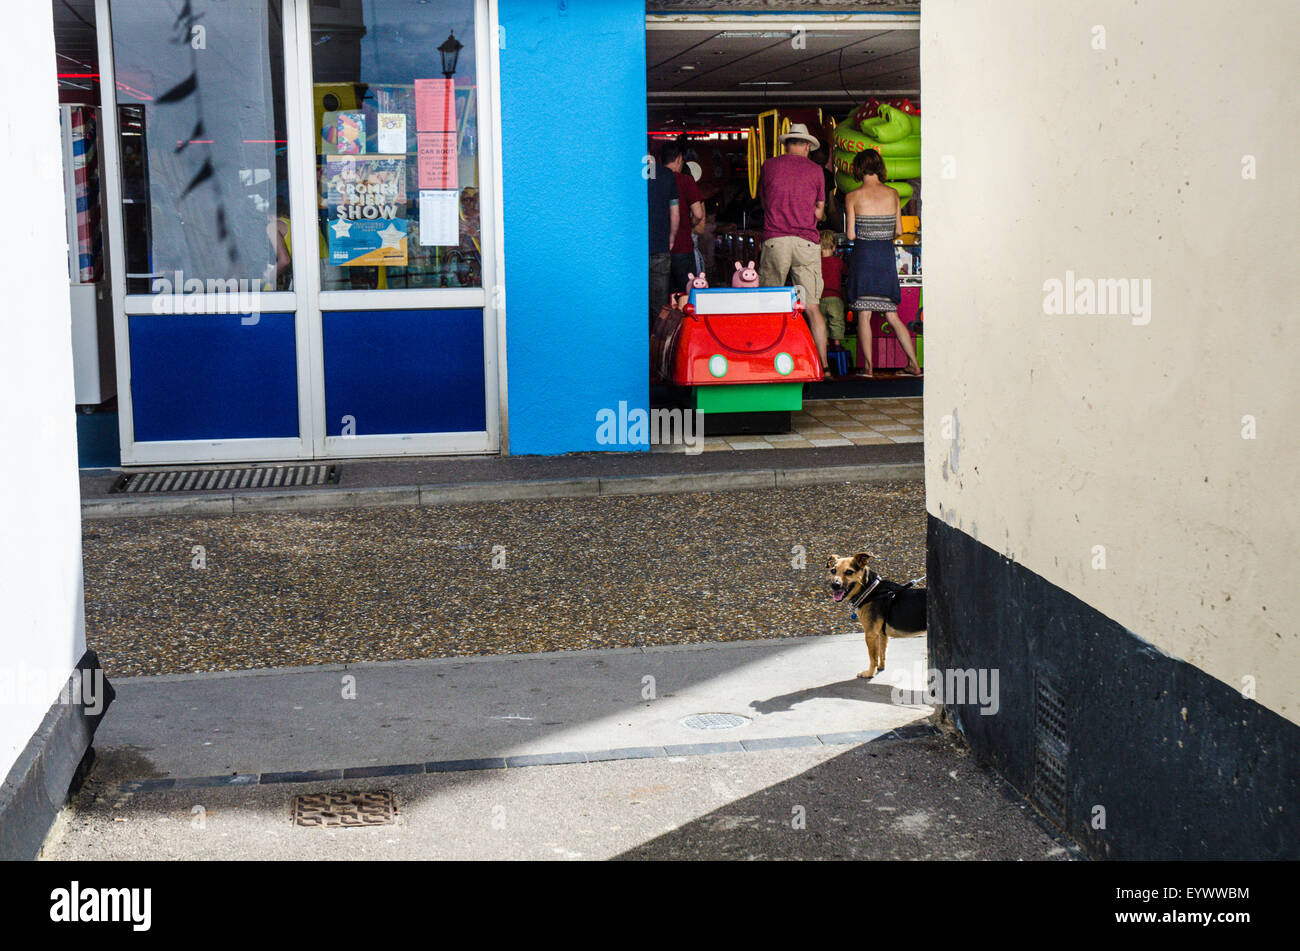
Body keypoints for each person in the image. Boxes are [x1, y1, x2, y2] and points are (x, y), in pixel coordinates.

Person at [756, 122, 830, 371]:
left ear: (786, 145)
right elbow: (819, 212)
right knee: (812, 307)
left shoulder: (768, 166)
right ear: (807, 146)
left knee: (770, 304)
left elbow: (764, 202)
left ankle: (768, 361)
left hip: (775, 240)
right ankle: (823, 365)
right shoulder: (817, 171)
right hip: (806, 242)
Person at [843, 149, 921, 376]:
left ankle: (868, 368)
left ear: (858, 168)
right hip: (885, 258)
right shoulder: (893, 194)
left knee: (864, 314)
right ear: (880, 167)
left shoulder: (852, 196)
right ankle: (914, 365)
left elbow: (850, 235)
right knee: (892, 315)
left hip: (864, 257)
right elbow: (899, 230)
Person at [663, 143, 705, 296]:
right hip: (683, 248)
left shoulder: (654, 180)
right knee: (686, 294)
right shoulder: (686, 180)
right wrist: (689, 224)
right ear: (679, 159)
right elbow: (698, 214)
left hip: (660, 249)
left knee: (663, 296)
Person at [647, 149, 680, 321]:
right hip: (659, 246)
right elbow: (675, 212)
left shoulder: (624, 172)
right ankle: (656, 336)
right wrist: (671, 237)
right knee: (659, 307)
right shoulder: (666, 175)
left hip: (630, 251)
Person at [819, 230, 846, 350]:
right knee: (837, 321)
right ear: (834, 247)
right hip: (835, 298)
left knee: (822, 322)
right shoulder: (838, 262)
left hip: (819, 298)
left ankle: (825, 344)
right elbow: (846, 272)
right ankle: (836, 344)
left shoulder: (816, 263)